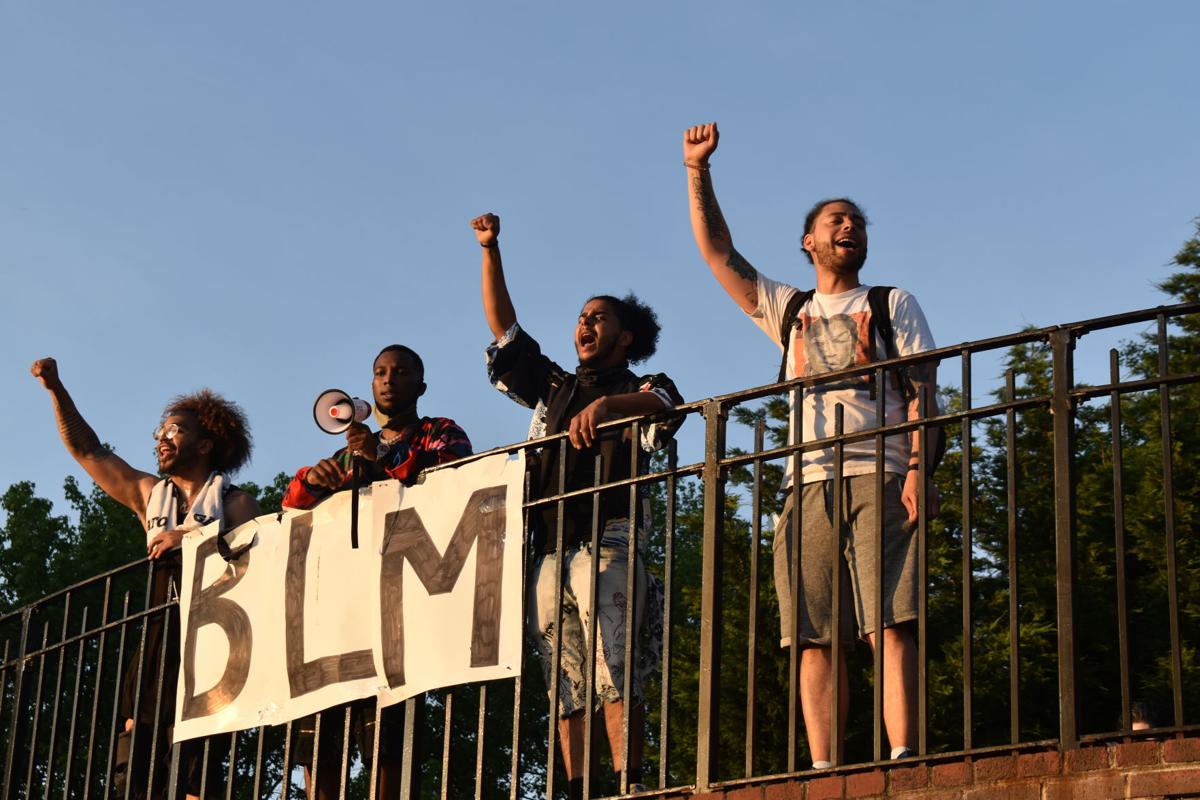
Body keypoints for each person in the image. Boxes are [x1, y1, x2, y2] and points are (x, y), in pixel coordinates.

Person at [681, 122, 943, 768]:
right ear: (809, 241)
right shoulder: (788, 308)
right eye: (836, 220)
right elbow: (719, 255)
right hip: (808, 487)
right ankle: (824, 768)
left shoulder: (890, 303)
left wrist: (917, 469)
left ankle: (903, 754)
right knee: (812, 633)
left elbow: (925, 392)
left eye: (857, 222)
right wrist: (697, 172)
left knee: (891, 620)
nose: (849, 227)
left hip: (879, 473)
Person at [470, 212, 683, 798]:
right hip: (549, 549)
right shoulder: (557, 386)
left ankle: (628, 782)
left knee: (615, 667)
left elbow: (665, 404)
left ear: (626, 336)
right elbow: (506, 333)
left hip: (609, 538)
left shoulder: (642, 383)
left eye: (599, 317)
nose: (586, 324)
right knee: (564, 679)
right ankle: (577, 787)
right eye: (582, 317)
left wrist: (609, 409)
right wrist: (491, 250)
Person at [30, 357, 259, 800]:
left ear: (206, 444)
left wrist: (191, 540)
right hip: (157, 645)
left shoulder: (235, 504)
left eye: (175, 430)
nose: (162, 439)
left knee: (195, 773)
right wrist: (55, 388)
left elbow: (252, 570)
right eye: (160, 431)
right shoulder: (151, 495)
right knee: (135, 767)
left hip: (211, 646)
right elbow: (89, 451)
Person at [281, 343, 472, 800]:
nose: (389, 379)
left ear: (420, 386)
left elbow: (452, 478)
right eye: (381, 372)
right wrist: (315, 480)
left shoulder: (440, 431)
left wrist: (383, 459)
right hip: (342, 615)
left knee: (389, 738)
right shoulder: (351, 453)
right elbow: (290, 508)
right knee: (322, 734)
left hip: (402, 607)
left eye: (401, 371)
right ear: (370, 385)